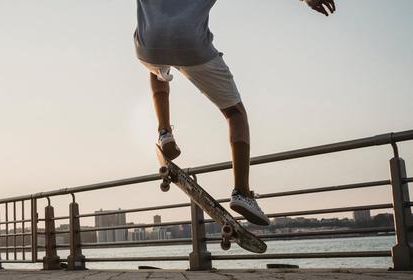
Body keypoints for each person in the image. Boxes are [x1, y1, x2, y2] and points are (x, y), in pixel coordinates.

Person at [135, 0, 336, 226]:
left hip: (149, 43)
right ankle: (242, 192)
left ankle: (164, 131)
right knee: (235, 114)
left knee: (156, 69)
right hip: (191, 44)